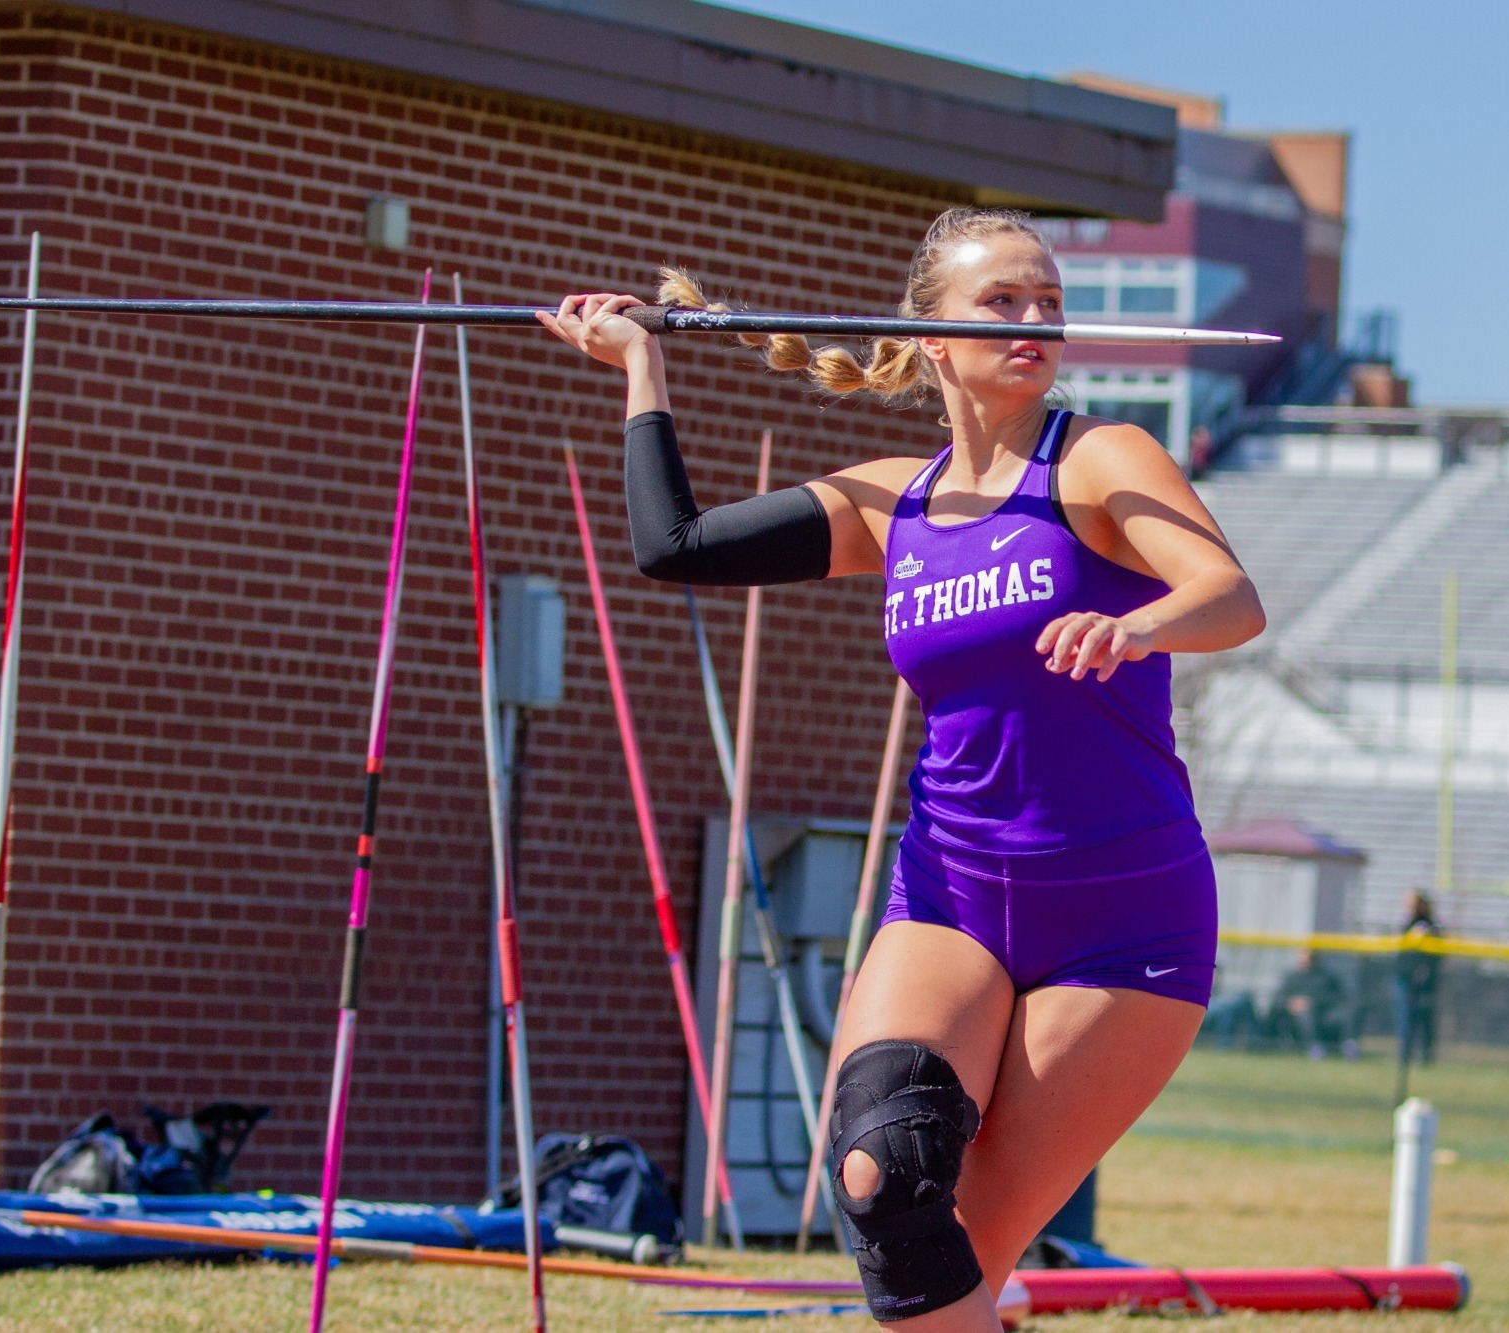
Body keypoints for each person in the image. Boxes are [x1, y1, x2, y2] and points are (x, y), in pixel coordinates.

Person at [537, 206, 1265, 1330]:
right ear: (931, 337)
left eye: (1048, 303)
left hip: (1121, 913)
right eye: (1001, 301)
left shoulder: (1098, 458)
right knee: (882, 1175)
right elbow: (671, 547)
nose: (1032, 322)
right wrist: (641, 367)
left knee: (967, 1244)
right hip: (949, 891)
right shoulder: (894, 500)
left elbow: (1230, 596)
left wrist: (1138, 625)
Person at [1392, 891, 1442, 1069]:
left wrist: (1425, 970)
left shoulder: (1430, 926)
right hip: (1404, 979)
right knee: (1405, 1017)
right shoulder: (1408, 925)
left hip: (1424, 983)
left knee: (1424, 1018)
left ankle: (1425, 1055)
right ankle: (1404, 1055)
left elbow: (1435, 955)